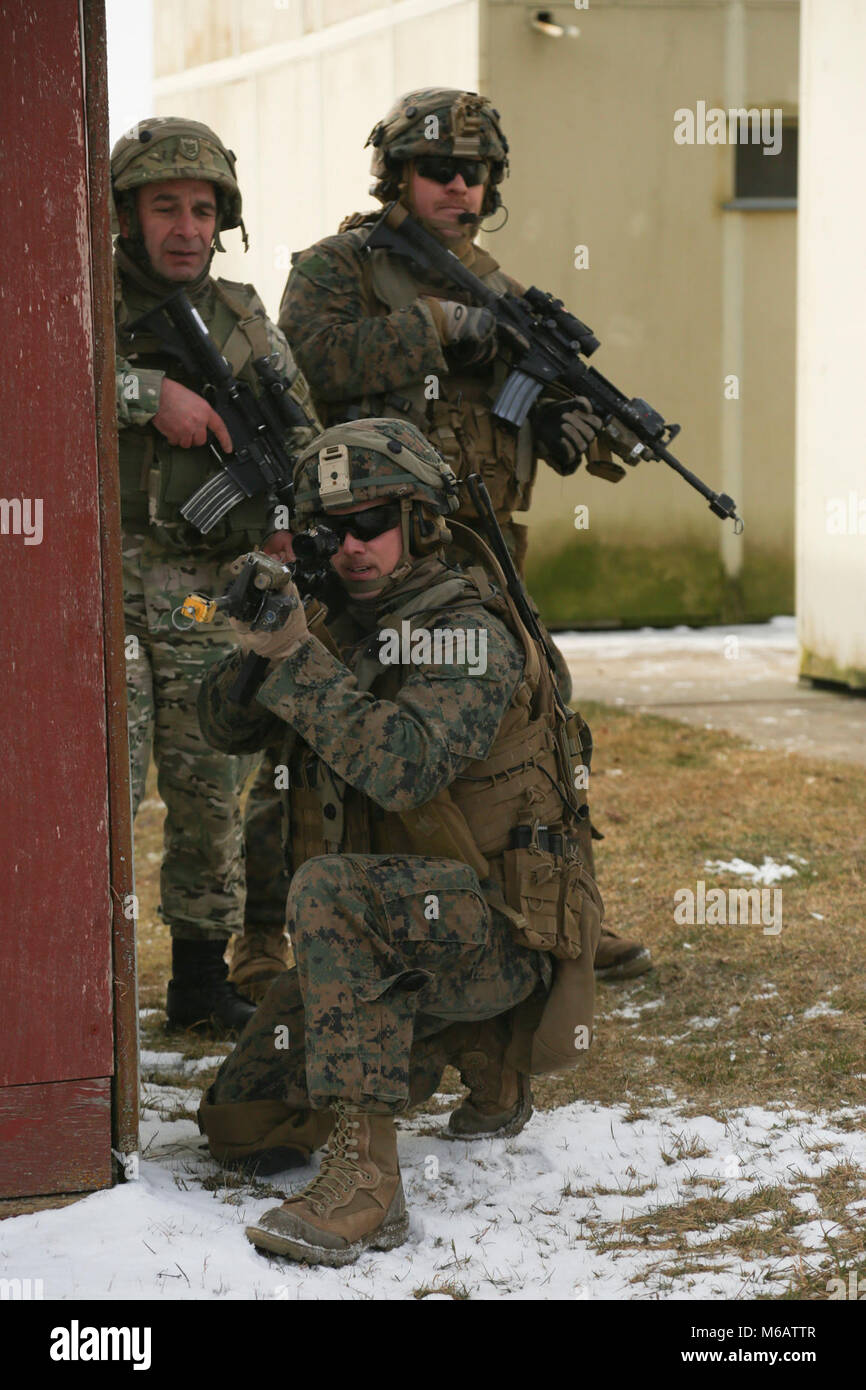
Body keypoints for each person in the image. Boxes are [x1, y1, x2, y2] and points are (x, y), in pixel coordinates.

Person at [196, 417, 602, 1267]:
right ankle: (459, 1047)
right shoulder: (332, 617)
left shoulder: (467, 631)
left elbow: (403, 770)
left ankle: (368, 1185)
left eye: (371, 523)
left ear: (420, 521)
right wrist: (254, 640)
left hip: (496, 931)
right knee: (243, 1120)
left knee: (331, 894)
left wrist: (297, 657)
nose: (349, 547)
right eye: (328, 530)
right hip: (395, 937)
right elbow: (222, 729)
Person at [278, 88, 650, 982]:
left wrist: (562, 434)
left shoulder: (504, 289)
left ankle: (563, 912)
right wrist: (435, 328)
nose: (457, 186)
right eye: (437, 170)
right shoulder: (342, 266)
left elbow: (525, 407)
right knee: (308, 731)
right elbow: (307, 360)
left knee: (539, 725)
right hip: (365, 550)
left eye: (474, 174)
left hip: (480, 552)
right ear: (396, 175)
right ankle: (264, 937)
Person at [112, 116, 319, 1030]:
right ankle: (85, 976)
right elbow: (31, 373)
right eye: (165, 207)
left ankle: (198, 979)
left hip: (209, 584)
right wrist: (154, 395)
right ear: (126, 216)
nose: (186, 228)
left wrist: (286, 518)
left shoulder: (242, 318)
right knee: (106, 783)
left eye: (202, 209)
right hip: (104, 573)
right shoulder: (77, 303)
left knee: (210, 788)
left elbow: (303, 437)